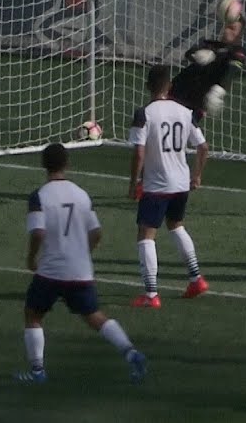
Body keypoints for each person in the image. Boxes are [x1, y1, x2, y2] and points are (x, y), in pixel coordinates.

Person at [17, 143, 148, 385]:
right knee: (94, 316)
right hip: (80, 271)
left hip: (51, 271)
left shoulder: (40, 196)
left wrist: (31, 258)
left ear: (44, 165)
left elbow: (37, 233)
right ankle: (131, 352)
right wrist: (82, 252)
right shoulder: (81, 194)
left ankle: (37, 371)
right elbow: (97, 232)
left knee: (33, 314)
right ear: (67, 164)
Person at [129, 64, 210, 308]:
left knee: (146, 235)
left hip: (157, 185)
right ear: (170, 86)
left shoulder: (144, 114)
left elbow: (139, 153)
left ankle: (151, 294)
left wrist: (134, 182)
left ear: (147, 86)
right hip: (180, 183)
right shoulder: (185, 111)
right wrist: (196, 176)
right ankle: (196, 278)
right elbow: (203, 147)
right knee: (176, 226)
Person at [170, 15, 246, 122]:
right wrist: (198, 54)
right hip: (176, 90)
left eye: (233, 28)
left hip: (195, 103)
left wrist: (219, 90)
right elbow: (188, 53)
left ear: (240, 34)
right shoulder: (211, 44)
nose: (228, 31)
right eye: (227, 27)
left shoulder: (237, 52)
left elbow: (232, 71)